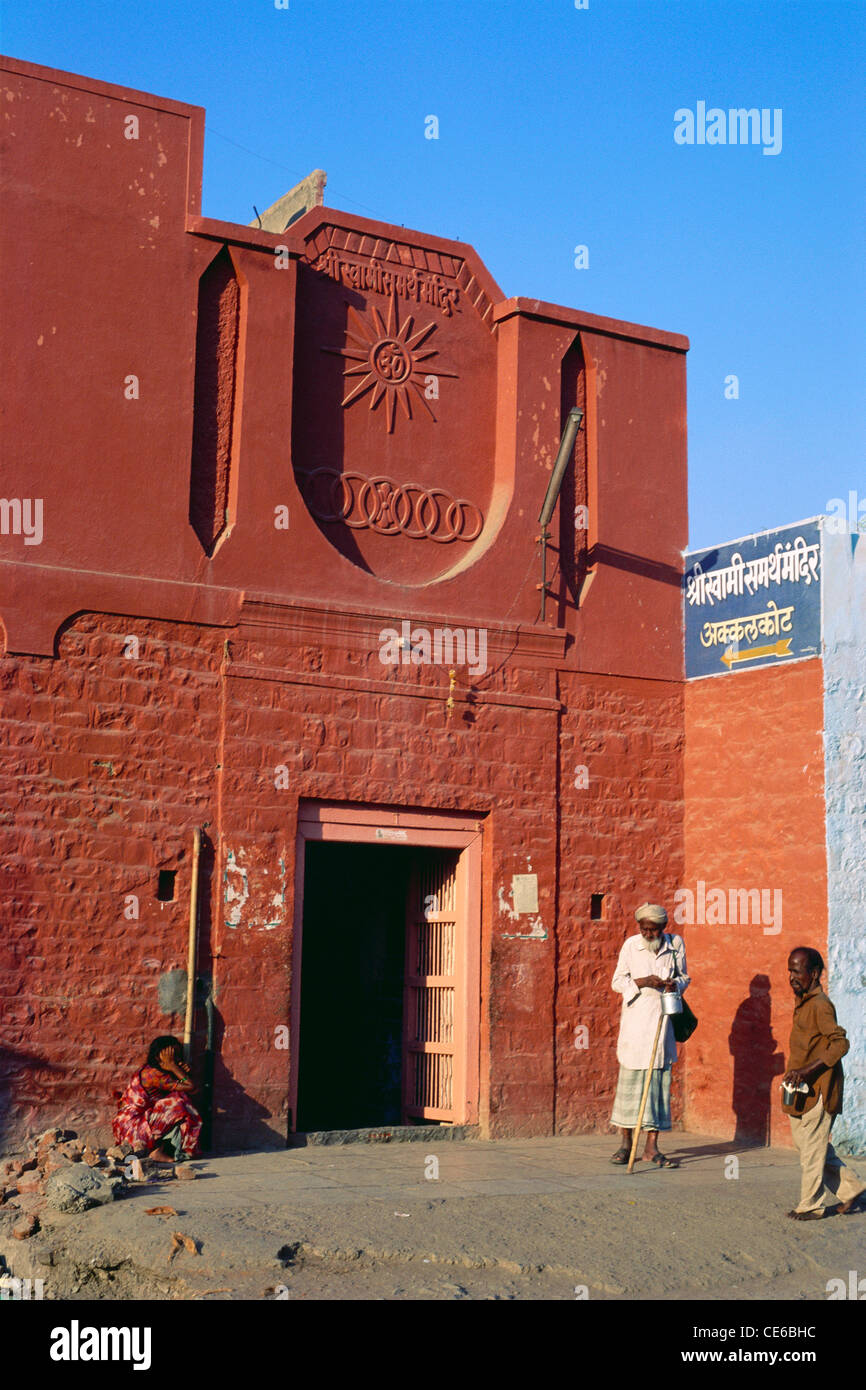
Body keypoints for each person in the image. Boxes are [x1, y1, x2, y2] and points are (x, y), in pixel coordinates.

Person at [782, 947, 864, 1221]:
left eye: (797, 971)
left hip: (820, 1090)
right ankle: (853, 1189)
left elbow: (840, 1043)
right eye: (790, 970)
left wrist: (807, 1070)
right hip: (801, 1091)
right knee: (808, 1146)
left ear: (814, 974)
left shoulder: (820, 1004)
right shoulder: (803, 1001)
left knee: (813, 1151)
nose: (791, 976)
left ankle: (811, 1205)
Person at [609, 902, 689, 1168]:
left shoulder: (675, 945)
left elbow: (685, 977)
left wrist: (673, 984)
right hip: (635, 1027)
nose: (649, 934)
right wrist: (643, 981)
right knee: (630, 1090)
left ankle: (651, 1148)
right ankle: (625, 1145)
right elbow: (617, 981)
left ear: (663, 928)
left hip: (661, 1026)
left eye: (654, 930)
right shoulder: (631, 945)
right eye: (645, 929)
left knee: (655, 1091)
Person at [112, 1035, 202, 1163]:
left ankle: (162, 1149)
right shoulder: (154, 1075)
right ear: (158, 1057)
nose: (175, 1059)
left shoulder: (157, 1071)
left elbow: (194, 1089)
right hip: (133, 1127)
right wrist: (174, 1067)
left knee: (181, 1099)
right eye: (171, 1056)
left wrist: (181, 1071)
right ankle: (159, 1151)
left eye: (177, 1056)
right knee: (178, 1102)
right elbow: (190, 1086)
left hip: (137, 1121)